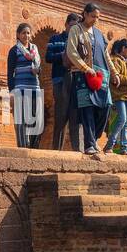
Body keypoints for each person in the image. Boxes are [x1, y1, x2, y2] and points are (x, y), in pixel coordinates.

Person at [65, 3, 110, 156]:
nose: (95, 20)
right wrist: (85, 68)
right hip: (83, 75)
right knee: (88, 109)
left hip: (100, 76)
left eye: (97, 17)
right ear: (84, 14)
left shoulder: (98, 33)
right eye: (92, 16)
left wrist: (115, 73)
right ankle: (90, 144)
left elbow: (106, 55)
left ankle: (94, 138)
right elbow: (71, 52)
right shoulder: (76, 30)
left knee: (105, 107)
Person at [45, 13, 81, 151]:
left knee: (74, 115)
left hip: (74, 81)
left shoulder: (78, 40)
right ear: (66, 25)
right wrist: (63, 55)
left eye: (75, 27)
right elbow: (48, 57)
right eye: (71, 26)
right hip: (59, 80)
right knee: (61, 115)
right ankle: (56, 150)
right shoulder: (55, 38)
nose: (73, 29)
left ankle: (76, 150)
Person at [7, 23, 42, 148]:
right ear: (18, 35)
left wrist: (37, 70)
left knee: (37, 120)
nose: (26, 35)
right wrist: (11, 91)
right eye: (23, 33)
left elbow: (39, 68)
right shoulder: (14, 50)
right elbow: (10, 72)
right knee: (21, 120)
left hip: (34, 88)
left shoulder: (35, 49)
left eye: (28, 33)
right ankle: (23, 148)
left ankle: (33, 147)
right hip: (20, 88)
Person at [104, 38, 127, 155]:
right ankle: (109, 145)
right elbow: (117, 78)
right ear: (123, 49)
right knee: (122, 119)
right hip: (118, 96)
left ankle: (123, 148)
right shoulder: (115, 60)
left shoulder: (126, 62)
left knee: (126, 122)